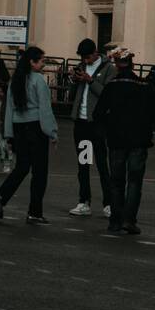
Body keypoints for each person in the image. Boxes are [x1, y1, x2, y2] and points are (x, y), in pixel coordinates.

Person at [0, 47, 57, 225]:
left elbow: (9, 109)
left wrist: (9, 133)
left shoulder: (15, 80)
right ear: (32, 62)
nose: (43, 64)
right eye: (41, 60)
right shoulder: (39, 80)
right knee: (40, 172)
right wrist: (52, 132)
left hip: (19, 127)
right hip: (36, 127)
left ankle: (1, 195)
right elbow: (45, 109)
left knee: (22, 167)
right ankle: (35, 212)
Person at [95, 49, 155, 234]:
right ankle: (129, 220)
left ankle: (115, 220)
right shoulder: (143, 85)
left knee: (116, 181)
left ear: (116, 66)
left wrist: (110, 124)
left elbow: (98, 114)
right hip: (139, 139)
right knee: (135, 182)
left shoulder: (112, 86)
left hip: (116, 139)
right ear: (133, 65)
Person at [68, 38, 116, 219]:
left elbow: (107, 94)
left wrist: (89, 81)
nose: (85, 61)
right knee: (84, 163)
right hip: (81, 123)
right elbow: (73, 93)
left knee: (103, 164)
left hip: (98, 124)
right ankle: (84, 201)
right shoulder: (80, 66)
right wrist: (74, 80)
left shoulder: (108, 68)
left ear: (95, 53)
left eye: (87, 57)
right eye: (83, 58)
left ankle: (109, 203)